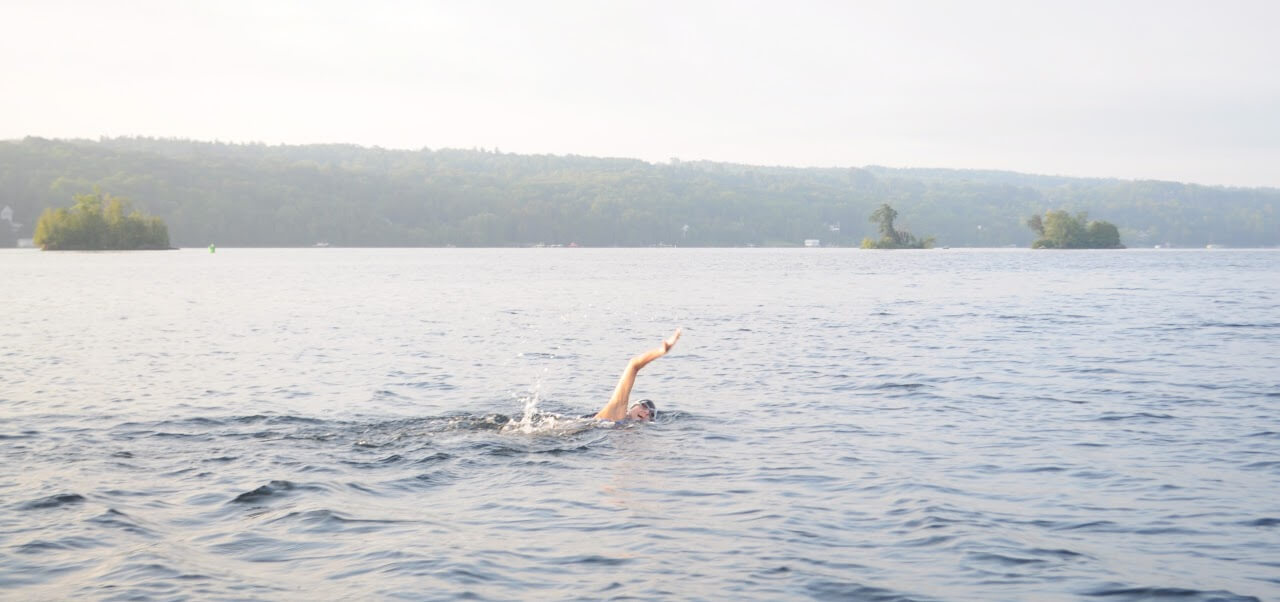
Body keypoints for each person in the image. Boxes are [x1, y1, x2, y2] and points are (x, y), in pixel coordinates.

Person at [593, 328, 682, 422]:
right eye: (644, 406)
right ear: (631, 408)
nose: (647, 412)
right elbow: (633, 365)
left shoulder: (630, 429)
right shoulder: (617, 411)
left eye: (651, 415)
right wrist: (661, 351)